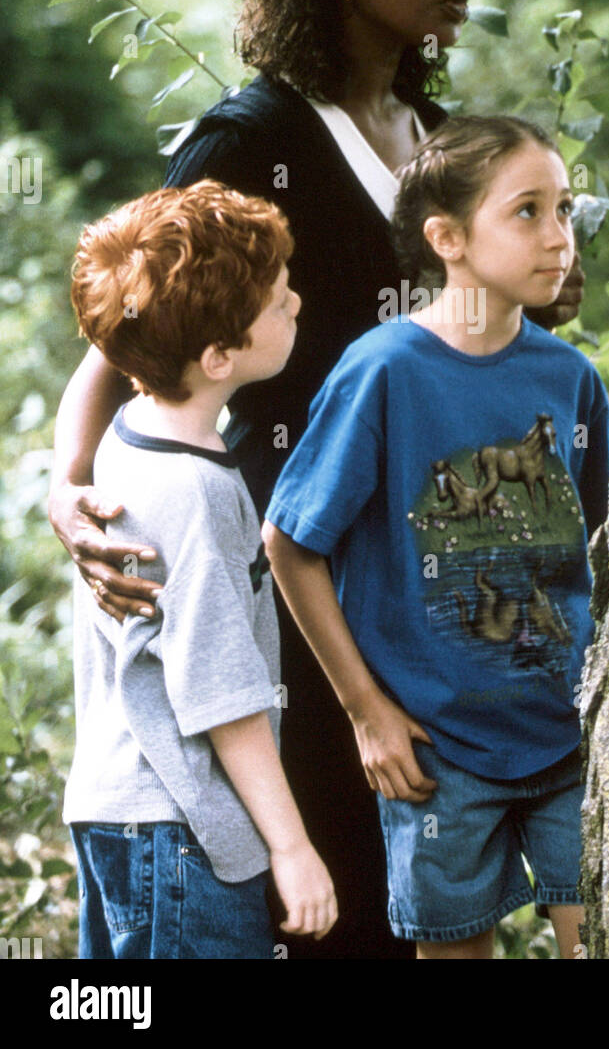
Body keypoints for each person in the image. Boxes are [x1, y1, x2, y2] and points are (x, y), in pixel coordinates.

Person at [48, 0, 585, 959]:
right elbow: (118, 343)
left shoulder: (444, 144)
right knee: (324, 887)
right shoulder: (253, 139)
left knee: (436, 903)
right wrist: (68, 489)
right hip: (294, 584)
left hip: (435, 591)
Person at [262, 115, 609, 959]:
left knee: (601, 941)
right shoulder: (383, 369)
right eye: (526, 212)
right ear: (447, 237)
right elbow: (291, 541)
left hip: (572, 735)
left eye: (564, 210)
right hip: (435, 750)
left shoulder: (568, 378)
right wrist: (367, 713)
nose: (558, 237)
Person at [62, 179, 337, 959]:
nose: (298, 306)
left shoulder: (129, 433)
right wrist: (290, 848)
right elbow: (221, 694)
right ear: (219, 356)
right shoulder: (195, 490)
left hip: (118, 811)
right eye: (280, 303)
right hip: (183, 834)